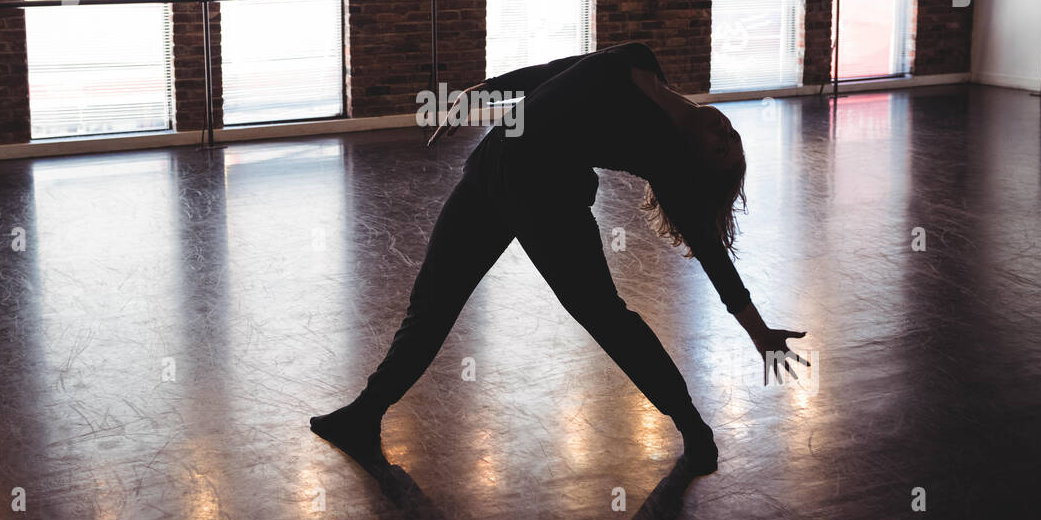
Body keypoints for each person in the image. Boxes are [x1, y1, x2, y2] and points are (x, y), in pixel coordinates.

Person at [310, 41, 806, 474]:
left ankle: (693, 427)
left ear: (697, 163)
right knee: (432, 304)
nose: (726, 137)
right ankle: (366, 414)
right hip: (491, 170)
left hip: (547, 201)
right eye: (732, 139)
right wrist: (477, 94)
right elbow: (550, 73)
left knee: (606, 317)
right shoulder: (639, 58)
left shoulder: (664, 156)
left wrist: (759, 333)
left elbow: (710, 252)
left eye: (722, 152)